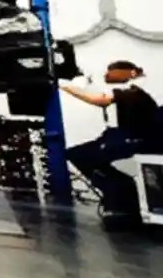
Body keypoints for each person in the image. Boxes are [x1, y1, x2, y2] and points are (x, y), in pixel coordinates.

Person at [62, 60, 160, 226]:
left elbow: (100, 99)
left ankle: (122, 196)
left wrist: (64, 86)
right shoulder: (128, 91)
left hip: (136, 138)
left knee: (83, 155)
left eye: (112, 71)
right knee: (78, 154)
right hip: (121, 136)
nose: (106, 74)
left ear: (131, 72)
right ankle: (120, 192)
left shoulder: (135, 91)